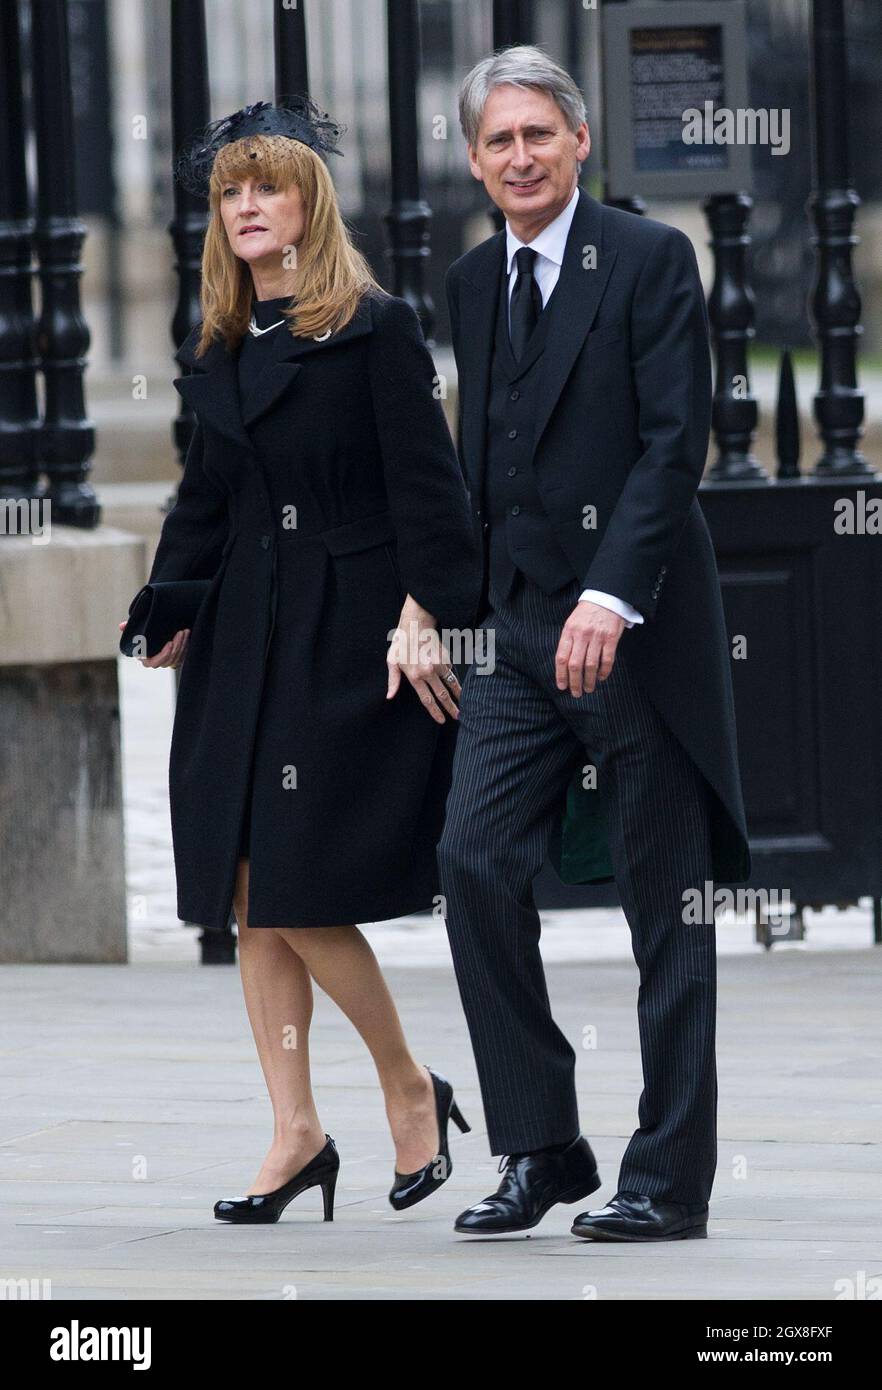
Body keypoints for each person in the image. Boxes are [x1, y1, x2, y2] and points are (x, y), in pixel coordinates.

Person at [121, 98, 481, 1224]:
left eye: (266, 187)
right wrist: (164, 608)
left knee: (302, 880)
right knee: (245, 890)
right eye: (230, 191)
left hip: (345, 628)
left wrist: (427, 609)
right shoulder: (226, 339)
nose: (244, 207)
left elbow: (431, 485)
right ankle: (295, 1129)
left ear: (308, 200)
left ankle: (406, 1083)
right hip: (242, 637)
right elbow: (208, 499)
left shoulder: (374, 324)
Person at [439, 48, 751, 1241]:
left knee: (666, 909)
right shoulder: (472, 281)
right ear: (473, 161)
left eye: (538, 135)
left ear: (578, 141)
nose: (519, 157)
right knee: (470, 861)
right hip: (518, 632)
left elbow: (676, 446)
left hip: (635, 632)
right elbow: (480, 464)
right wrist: (439, 608)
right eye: (497, 141)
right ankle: (543, 1143)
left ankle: (667, 1179)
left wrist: (611, 596)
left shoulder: (651, 258)